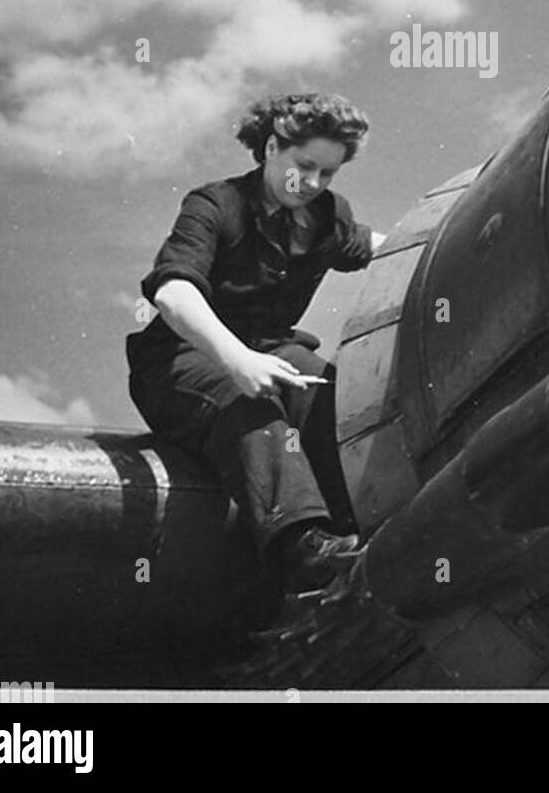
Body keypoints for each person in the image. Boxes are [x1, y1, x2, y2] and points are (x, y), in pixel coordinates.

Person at [126, 91, 375, 597]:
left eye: (327, 174)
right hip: (181, 360)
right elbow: (173, 291)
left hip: (273, 348)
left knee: (328, 389)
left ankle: (363, 530)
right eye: (303, 167)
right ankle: (304, 548)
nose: (312, 184)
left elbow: (383, 247)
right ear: (269, 148)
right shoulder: (215, 204)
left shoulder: (328, 216)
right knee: (250, 399)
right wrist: (237, 359)